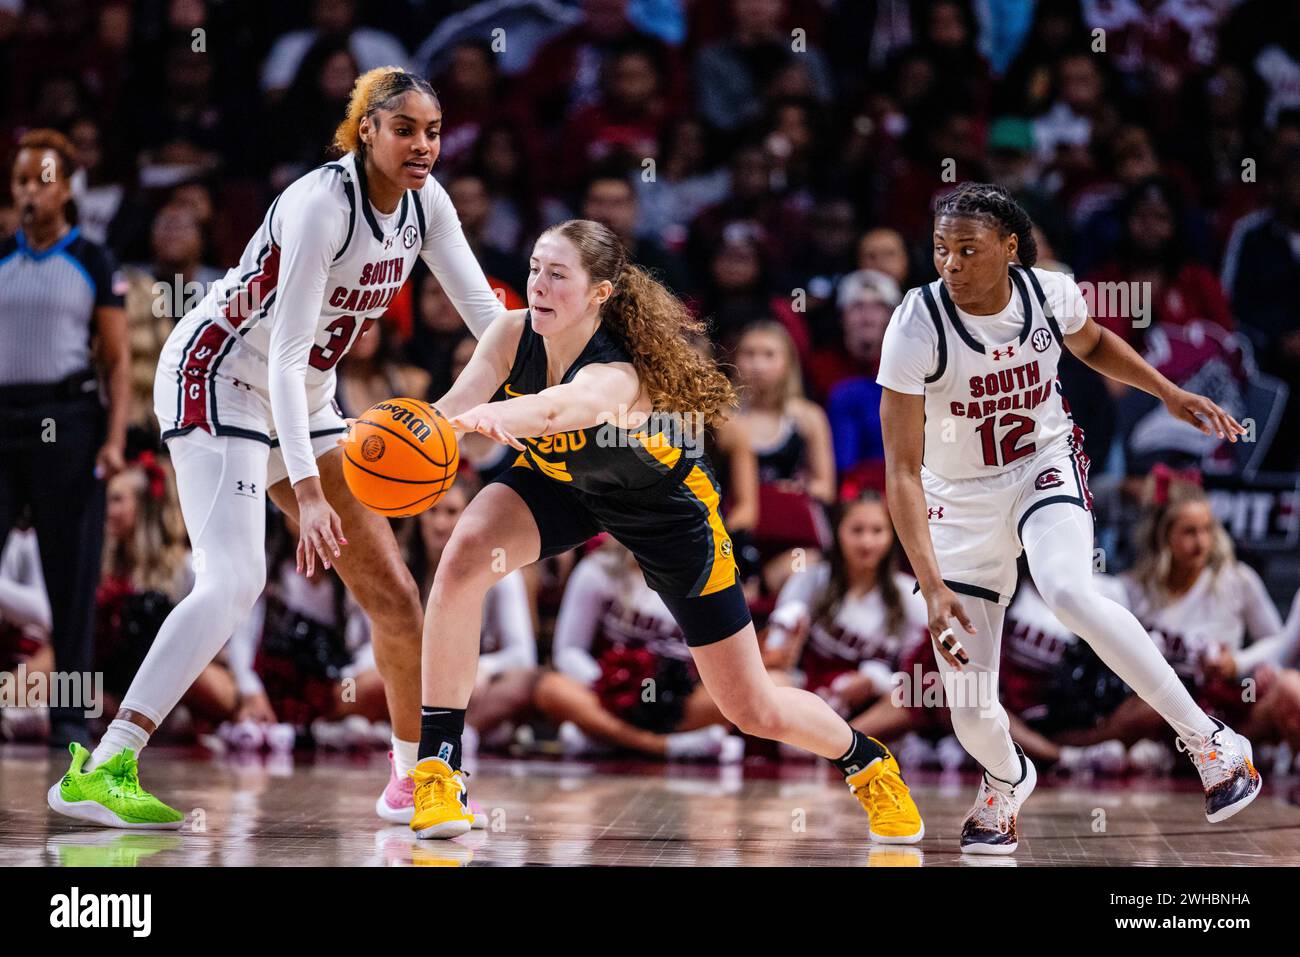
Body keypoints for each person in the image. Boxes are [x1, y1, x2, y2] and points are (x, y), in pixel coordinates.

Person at [47, 67, 504, 829]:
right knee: (234, 578)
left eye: (433, 130)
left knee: (394, 595)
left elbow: (487, 317)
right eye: (405, 129)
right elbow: (287, 354)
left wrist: (554, 376)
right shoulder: (321, 202)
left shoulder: (428, 204)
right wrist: (311, 490)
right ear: (368, 130)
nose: (423, 144)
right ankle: (104, 764)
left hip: (307, 397)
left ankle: (412, 783)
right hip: (217, 376)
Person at [410, 218, 924, 844]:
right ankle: (438, 766)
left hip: (668, 512)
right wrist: (386, 438)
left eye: (557, 275)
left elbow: (555, 410)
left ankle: (867, 762)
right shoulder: (510, 333)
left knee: (751, 707)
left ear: (599, 292)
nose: (537, 285)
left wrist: (482, 417)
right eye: (534, 269)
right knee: (463, 559)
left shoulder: (618, 372)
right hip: (566, 484)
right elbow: (444, 414)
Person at [877, 182, 1257, 854]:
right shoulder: (916, 323)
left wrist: (1166, 392)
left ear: (1009, 248)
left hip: (1040, 469)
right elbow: (902, 471)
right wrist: (931, 585)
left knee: (1071, 590)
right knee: (967, 704)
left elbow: (1095, 342)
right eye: (940, 250)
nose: (950, 264)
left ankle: (1211, 741)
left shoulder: (1050, 292)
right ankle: (1004, 778)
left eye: (967, 249)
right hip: (957, 506)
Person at [0, 128, 130, 749]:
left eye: (41, 180)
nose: (30, 192)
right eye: (22, 180)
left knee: (71, 576)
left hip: (69, 422)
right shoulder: (1, 256)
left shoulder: (93, 261)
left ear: (66, 189)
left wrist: (112, 440)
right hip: (3, 419)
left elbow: (118, 360)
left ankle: (70, 719)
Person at [537, 539, 744, 762]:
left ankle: (603, 739)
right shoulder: (597, 568)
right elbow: (568, 651)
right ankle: (668, 746)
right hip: (609, 696)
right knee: (550, 688)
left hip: (680, 700)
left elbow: (725, 662)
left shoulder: (712, 575)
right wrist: (613, 685)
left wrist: (672, 693)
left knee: (740, 693)